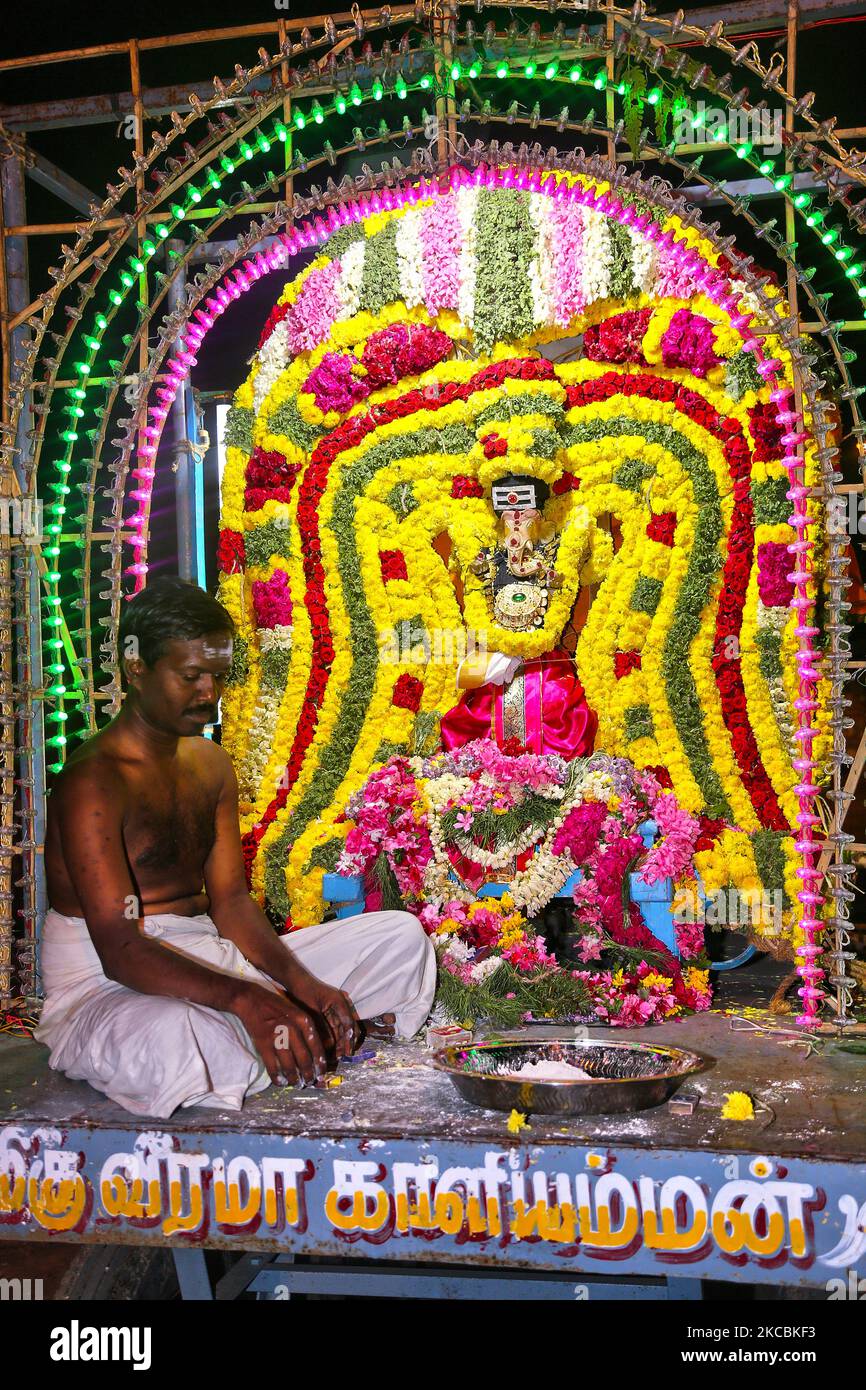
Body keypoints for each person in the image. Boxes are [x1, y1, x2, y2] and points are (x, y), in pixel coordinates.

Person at [37, 577, 435, 1119]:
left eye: (218, 676)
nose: (209, 693)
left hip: (214, 959)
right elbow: (120, 951)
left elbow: (229, 904)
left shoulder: (208, 763)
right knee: (177, 1039)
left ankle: (284, 1032)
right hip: (109, 983)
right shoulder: (93, 781)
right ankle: (279, 1035)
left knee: (401, 938)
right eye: (190, 676)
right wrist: (250, 999)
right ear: (137, 669)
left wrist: (304, 986)